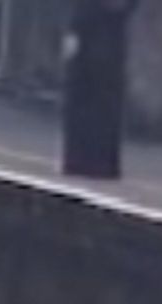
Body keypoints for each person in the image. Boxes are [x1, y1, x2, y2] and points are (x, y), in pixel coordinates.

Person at [62, 0, 140, 179]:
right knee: (89, 97)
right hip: (95, 31)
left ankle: (90, 161)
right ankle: (88, 161)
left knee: (96, 99)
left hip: (100, 33)